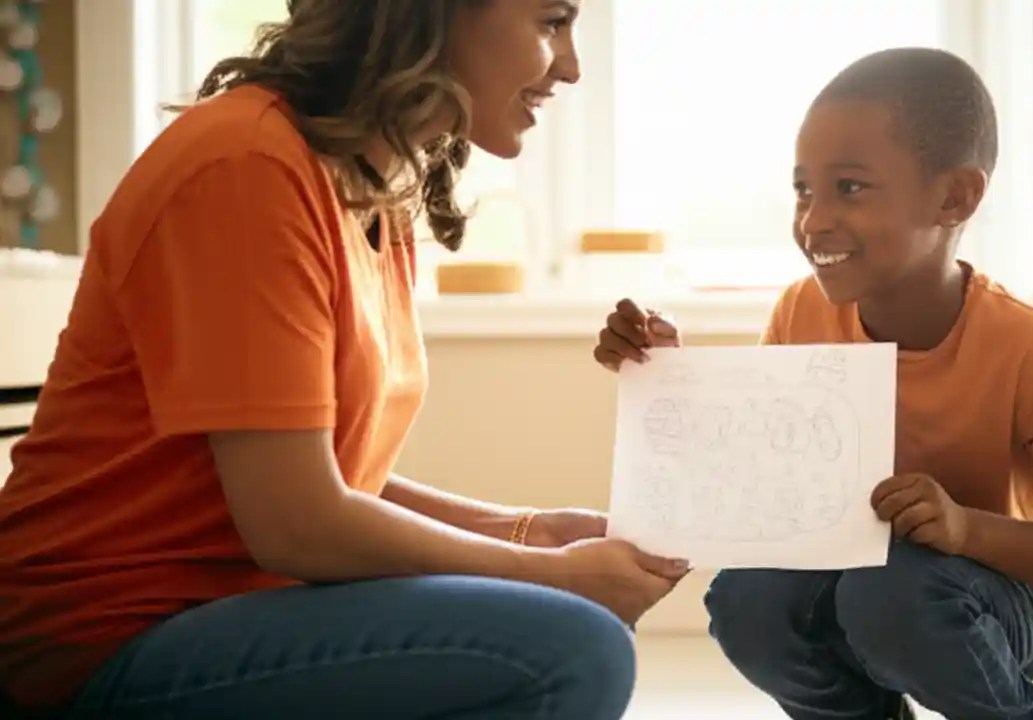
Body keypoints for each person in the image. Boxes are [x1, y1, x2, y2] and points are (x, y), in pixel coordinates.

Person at [0, 2, 689, 718]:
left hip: (221, 608)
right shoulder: (246, 167)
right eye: (552, 22)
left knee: (571, 628)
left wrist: (531, 532)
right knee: (572, 646)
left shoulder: (368, 184)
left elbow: (315, 471)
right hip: (97, 641)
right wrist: (553, 576)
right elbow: (296, 519)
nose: (572, 66)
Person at [595, 48, 1033, 720]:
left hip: (1003, 592)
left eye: (849, 188)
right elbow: (763, 482)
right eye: (803, 190)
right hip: (863, 584)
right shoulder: (801, 311)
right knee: (746, 600)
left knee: (888, 594)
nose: (813, 219)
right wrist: (671, 374)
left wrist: (966, 529)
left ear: (954, 197)